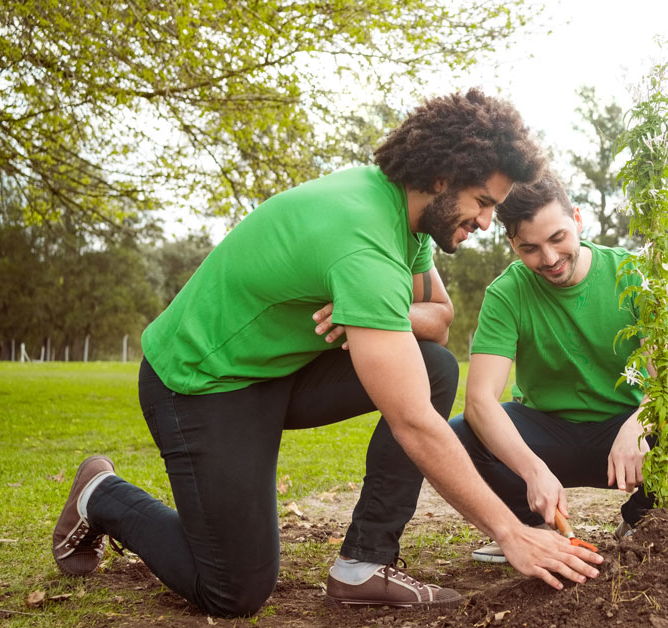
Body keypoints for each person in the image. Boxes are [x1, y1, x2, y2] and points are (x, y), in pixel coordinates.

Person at [50, 90, 602, 618]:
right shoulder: (363, 243)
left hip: (279, 372)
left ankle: (364, 564)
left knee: (434, 367)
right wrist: (511, 532)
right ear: (441, 178)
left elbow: (438, 320)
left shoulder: (402, 214)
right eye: (483, 203)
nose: (486, 223)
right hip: (201, 385)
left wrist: (379, 314)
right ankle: (103, 495)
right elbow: (413, 423)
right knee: (234, 588)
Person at [449, 172, 668, 563]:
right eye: (530, 249)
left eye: (557, 238)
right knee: (461, 434)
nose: (550, 259)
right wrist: (532, 469)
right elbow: (480, 402)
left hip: (621, 431)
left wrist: (640, 423)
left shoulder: (636, 274)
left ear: (577, 218)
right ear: (512, 244)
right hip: (546, 431)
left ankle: (641, 522)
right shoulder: (507, 292)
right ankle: (531, 529)